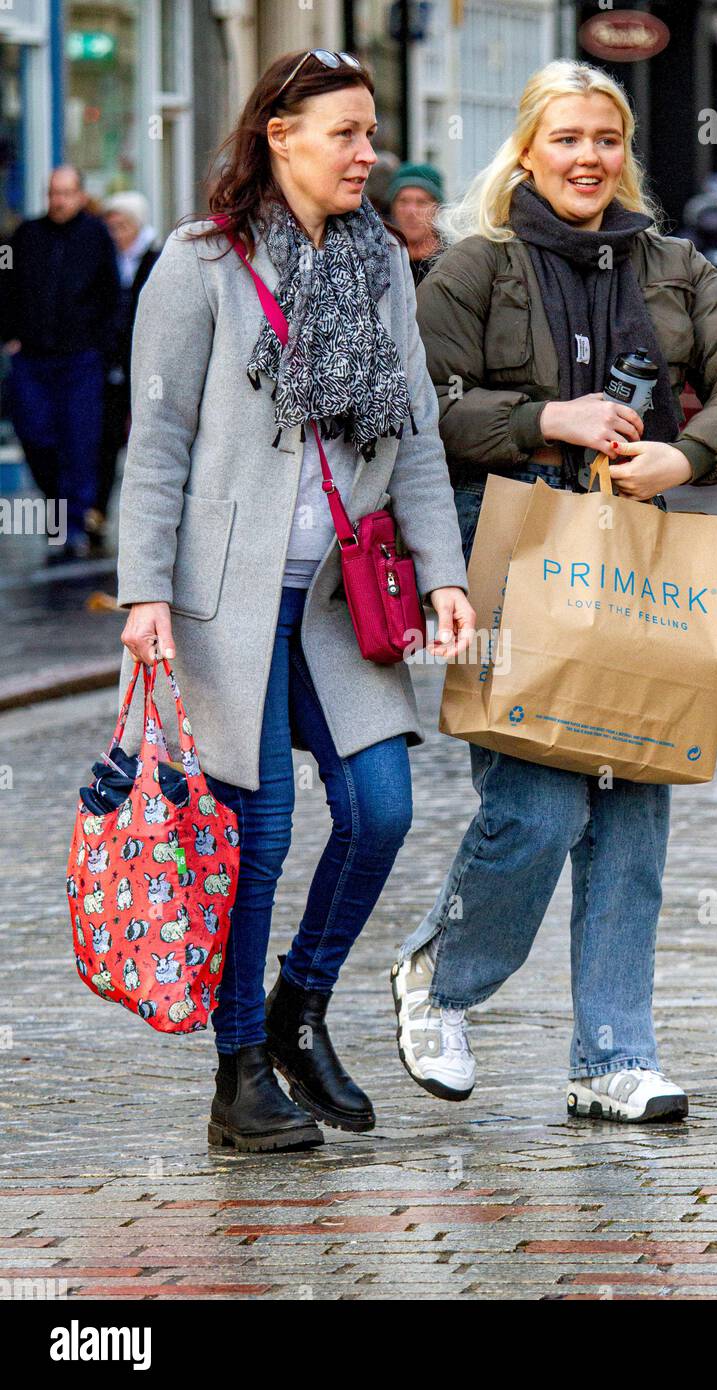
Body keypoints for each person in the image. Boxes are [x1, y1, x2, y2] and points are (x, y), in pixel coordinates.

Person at [391, 59, 717, 1124]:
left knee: (631, 806)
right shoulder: (471, 268)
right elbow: (422, 408)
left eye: (605, 139)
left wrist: (689, 456)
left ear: (623, 154)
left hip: (632, 551)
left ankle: (611, 1053)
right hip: (510, 550)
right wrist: (542, 422)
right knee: (533, 805)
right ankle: (440, 975)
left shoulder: (668, 265)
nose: (587, 158)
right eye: (566, 138)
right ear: (526, 149)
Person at [116, 49, 475, 1152]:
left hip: (337, 596)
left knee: (382, 809)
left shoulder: (379, 266)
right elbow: (159, 441)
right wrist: (143, 595)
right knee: (259, 832)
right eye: (345, 134)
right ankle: (238, 1077)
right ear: (279, 135)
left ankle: (296, 1008)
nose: (367, 154)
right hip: (226, 601)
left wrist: (445, 570)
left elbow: (413, 432)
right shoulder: (200, 262)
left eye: (370, 133)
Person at [0, 165, 119, 561]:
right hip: (32, 359)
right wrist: (10, 335)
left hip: (80, 358)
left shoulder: (96, 235)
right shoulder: (26, 236)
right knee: (35, 436)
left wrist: (103, 346)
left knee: (79, 442)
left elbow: (110, 294)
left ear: (81, 195)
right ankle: (60, 513)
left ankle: (72, 526)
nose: (59, 200)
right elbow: (7, 285)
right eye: (53, 193)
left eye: (66, 193)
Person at [93, 193, 161, 557]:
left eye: (120, 226)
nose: (114, 233)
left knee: (146, 442)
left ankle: (143, 530)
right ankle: (97, 514)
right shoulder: (105, 259)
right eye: (111, 226)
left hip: (147, 365)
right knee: (104, 439)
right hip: (111, 363)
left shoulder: (158, 257)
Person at [389, 162, 445, 284]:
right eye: (403, 201)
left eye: (421, 202)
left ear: (437, 209)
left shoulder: (450, 263)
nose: (411, 212)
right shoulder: (383, 261)